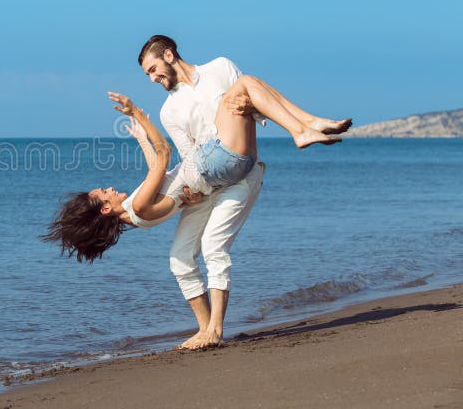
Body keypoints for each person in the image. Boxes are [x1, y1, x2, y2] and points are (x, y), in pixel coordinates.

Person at [44, 34, 350, 350]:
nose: (108, 188)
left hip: (215, 167)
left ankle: (207, 328)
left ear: (169, 54)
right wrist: (137, 114)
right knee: (245, 83)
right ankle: (302, 128)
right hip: (212, 162)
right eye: (103, 193)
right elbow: (163, 157)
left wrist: (140, 139)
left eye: (152, 70)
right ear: (105, 209)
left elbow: (159, 171)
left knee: (179, 258)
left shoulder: (136, 209)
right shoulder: (137, 205)